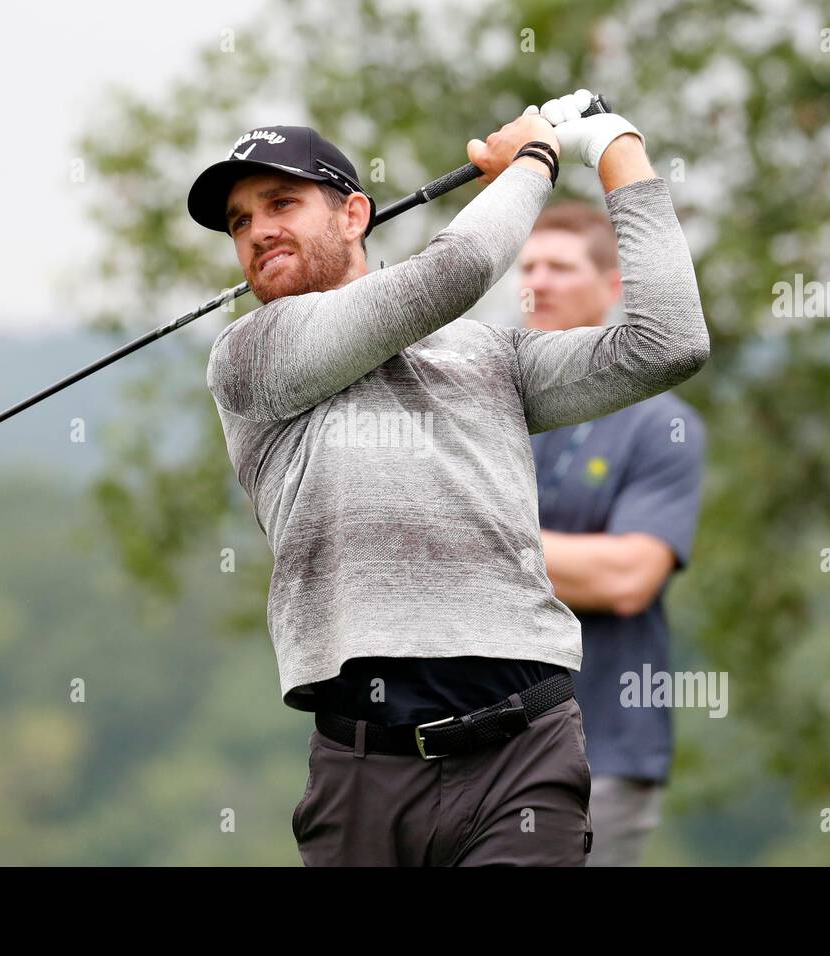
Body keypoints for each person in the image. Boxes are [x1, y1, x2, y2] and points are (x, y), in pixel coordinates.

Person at [187, 89, 709, 866]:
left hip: (522, 753)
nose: (258, 230)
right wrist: (532, 160)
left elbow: (669, 342)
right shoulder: (251, 357)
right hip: (362, 772)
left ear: (355, 215)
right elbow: (456, 270)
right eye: (239, 222)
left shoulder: (489, 355)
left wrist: (615, 145)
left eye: (281, 203)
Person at [519, 201, 707, 866]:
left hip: (604, 750)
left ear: (612, 287)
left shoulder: (661, 424)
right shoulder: (496, 410)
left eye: (560, 267)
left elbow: (628, 577)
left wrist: (470, 539)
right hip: (484, 752)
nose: (536, 282)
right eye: (528, 266)